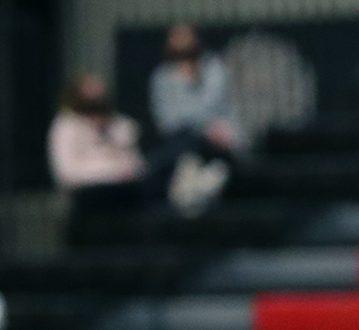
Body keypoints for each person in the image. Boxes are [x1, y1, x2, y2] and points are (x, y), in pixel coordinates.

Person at [149, 23, 236, 215]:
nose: (182, 43)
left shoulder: (214, 69)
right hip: (181, 141)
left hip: (215, 139)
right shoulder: (161, 78)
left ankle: (202, 181)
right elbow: (167, 120)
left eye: (186, 37)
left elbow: (214, 106)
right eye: (176, 37)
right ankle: (192, 185)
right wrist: (200, 127)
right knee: (183, 147)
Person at [48, 74, 151, 217]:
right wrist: (111, 172)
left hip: (126, 198)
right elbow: (67, 173)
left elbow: (137, 163)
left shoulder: (119, 124)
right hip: (88, 200)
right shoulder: (66, 127)